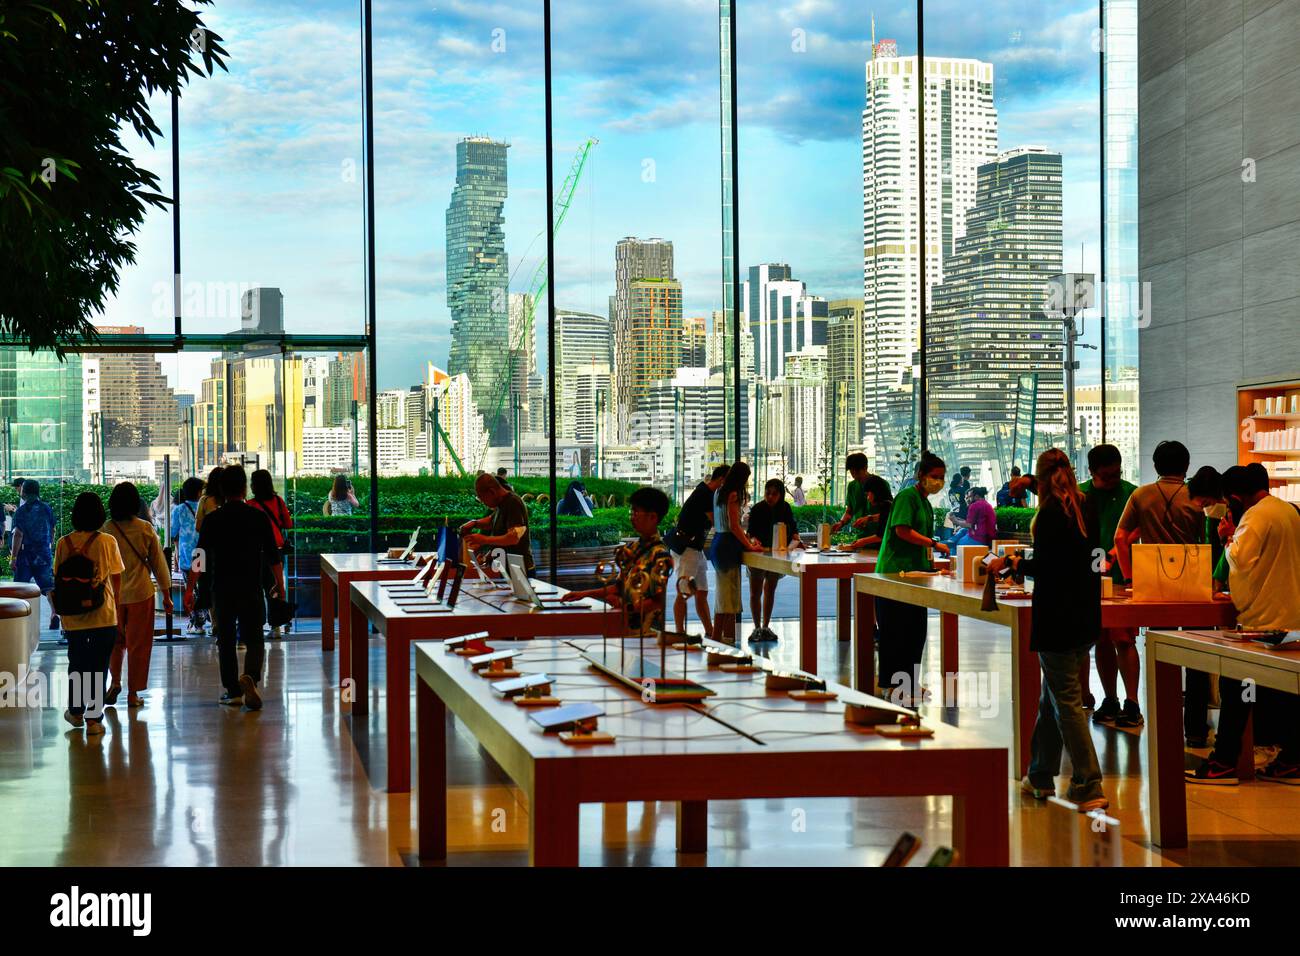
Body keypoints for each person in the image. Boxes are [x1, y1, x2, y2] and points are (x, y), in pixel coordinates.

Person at [989, 448, 1107, 812]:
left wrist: (1011, 561)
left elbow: (1049, 566)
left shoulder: (1051, 514)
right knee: (1051, 696)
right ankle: (1039, 775)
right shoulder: (1086, 507)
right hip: (1085, 613)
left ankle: (1089, 783)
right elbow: (1089, 561)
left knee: (1066, 700)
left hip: (1056, 615)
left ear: (1040, 481)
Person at [1187, 463, 1300, 785]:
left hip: (1263, 618)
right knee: (1285, 695)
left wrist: (1227, 536)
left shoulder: (1256, 516)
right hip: (1290, 613)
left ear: (1235, 497)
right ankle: (1291, 760)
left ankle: (1224, 763)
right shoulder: (1287, 510)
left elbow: (1241, 558)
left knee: (1235, 687)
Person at [1112, 439, 1204, 730]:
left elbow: (1119, 538)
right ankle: (1196, 727)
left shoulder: (1141, 495)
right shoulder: (1195, 496)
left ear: (1155, 466)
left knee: (1160, 649)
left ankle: (1163, 719)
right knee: (1197, 653)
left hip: (1154, 583)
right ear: (1186, 466)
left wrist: (1130, 578)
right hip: (1193, 582)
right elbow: (1206, 540)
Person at [195, 465, 284, 710]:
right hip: (251, 586)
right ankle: (251, 677)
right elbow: (273, 555)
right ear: (244, 488)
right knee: (254, 637)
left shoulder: (213, 519)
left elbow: (199, 555)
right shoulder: (258, 517)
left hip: (222, 589)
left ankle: (233, 691)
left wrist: (192, 585)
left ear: (222, 490)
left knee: (225, 640)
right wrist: (280, 585)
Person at [874, 452, 949, 702]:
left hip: (917, 575)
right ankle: (890, 685)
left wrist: (933, 566)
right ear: (921, 475)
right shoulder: (907, 497)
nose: (938, 482)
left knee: (916, 632)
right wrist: (934, 544)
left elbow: (924, 541)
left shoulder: (926, 503)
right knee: (894, 632)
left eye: (941, 478)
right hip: (895, 572)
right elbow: (902, 531)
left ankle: (910, 683)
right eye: (934, 477)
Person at [54, 492, 125, 736]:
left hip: (73, 617)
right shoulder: (107, 542)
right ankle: (94, 719)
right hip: (103, 615)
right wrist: (115, 607)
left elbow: (58, 577)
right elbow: (116, 580)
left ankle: (75, 711)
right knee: (98, 666)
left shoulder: (64, 543)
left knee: (77, 663)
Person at [1077, 443, 1139, 719]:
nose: (1113, 480)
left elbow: (1140, 526)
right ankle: (1110, 698)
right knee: (1100, 639)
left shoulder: (1130, 493)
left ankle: (1133, 702)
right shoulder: (1079, 495)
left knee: (1124, 639)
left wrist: (1118, 550)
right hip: (1088, 580)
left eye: (1117, 473)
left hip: (1122, 577)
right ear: (1091, 472)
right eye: (1106, 476)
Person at [562, 487, 674, 633]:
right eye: (631, 512)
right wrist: (584, 594)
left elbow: (657, 602)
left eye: (636, 512)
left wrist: (624, 607)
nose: (632, 517)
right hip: (624, 625)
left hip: (647, 631)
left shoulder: (660, 555)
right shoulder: (632, 548)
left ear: (653, 517)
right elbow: (619, 587)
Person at [102, 482, 173, 708]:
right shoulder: (145, 528)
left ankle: (115, 682)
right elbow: (159, 564)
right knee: (139, 645)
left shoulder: (106, 529)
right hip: (141, 593)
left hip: (113, 595)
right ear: (136, 503)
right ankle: (133, 694)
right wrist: (167, 594)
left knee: (115, 642)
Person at [667, 464, 728, 639]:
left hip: (695, 548)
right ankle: (679, 632)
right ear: (722, 480)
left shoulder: (704, 491)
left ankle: (710, 631)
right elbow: (717, 522)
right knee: (684, 591)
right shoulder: (705, 495)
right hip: (687, 548)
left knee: (701, 591)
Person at [708, 462, 764, 645]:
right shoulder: (733, 495)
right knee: (729, 598)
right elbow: (734, 525)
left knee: (723, 597)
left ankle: (723, 640)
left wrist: (746, 541)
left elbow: (727, 524)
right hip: (728, 547)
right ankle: (722, 641)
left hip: (718, 543)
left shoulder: (719, 492)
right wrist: (750, 545)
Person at [745, 478, 804, 642]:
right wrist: (754, 542)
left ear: (780, 495)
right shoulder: (757, 508)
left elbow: (794, 533)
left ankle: (765, 626)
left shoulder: (785, 508)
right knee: (755, 591)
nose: (770, 497)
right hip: (759, 555)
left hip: (777, 555)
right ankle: (757, 627)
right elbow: (751, 534)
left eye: (774, 494)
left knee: (770, 589)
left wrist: (789, 548)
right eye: (767, 493)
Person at [459, 472, 534, 576]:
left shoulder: (512, 502)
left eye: (483, 498)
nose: (484, 503)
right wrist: (474, 523)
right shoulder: (501, 504)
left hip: (520, 569)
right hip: (507, 568)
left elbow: (513, 538)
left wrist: (483, 540)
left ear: (492, 492)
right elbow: (491, 521)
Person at [248, 469, 294, 639]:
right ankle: (275, 627)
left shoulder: (251, 505)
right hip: (276, 550)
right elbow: (288, 524)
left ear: (254, 485)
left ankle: (256, 625)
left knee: (256, 589)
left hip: (257, 552)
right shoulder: (278, 501)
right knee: (273, 587)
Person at [11, 479, 59, 631]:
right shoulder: (46, 508)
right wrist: (48, 545)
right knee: (49, 586)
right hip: (43, 552)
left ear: (24, 492)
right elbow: (52, 530)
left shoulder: (21, 511)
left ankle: (18, 618)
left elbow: (18, 535)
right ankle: (54, 613)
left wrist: (13, 557)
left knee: (19, 587)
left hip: (26, 554)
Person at [171, 477, 205, 634]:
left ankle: (197, 623)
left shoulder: (178, 510)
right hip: (202, 551)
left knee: (190, 589)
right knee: (202, 588)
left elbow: (172, 532)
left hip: (186, 554)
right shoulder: (204, 507)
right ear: (199, 492)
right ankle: (201, 621)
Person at [831, 452, 884, 537]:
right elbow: (849, 511)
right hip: (860, 537)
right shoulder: (852, 486)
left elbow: (888, 514)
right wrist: (841, 523)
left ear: (865, 468)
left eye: (858, 472)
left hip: (878, 536)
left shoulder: (880, 484)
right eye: (852, 473)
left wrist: (868, 519)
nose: (855, 476)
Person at [842, 475, 894, 551]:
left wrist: (862, 541)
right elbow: (884, 517)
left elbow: (881, 535)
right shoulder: (887, 505)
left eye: (868, 494)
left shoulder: (887, 506)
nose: (868, 498)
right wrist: (868, 519)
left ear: (875, 492)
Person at [948, 486, 995, 550]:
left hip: (980, 539)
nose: (967, 499)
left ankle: (951, 552)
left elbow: (969, 525)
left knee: (958, 544)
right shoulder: (986, 504)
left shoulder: (975, 505)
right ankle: (950, 542)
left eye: (969, 496)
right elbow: (974, 522)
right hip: (987, 538)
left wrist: (955, 521)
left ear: (976, 496)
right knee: (962, 531)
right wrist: (960, 521)